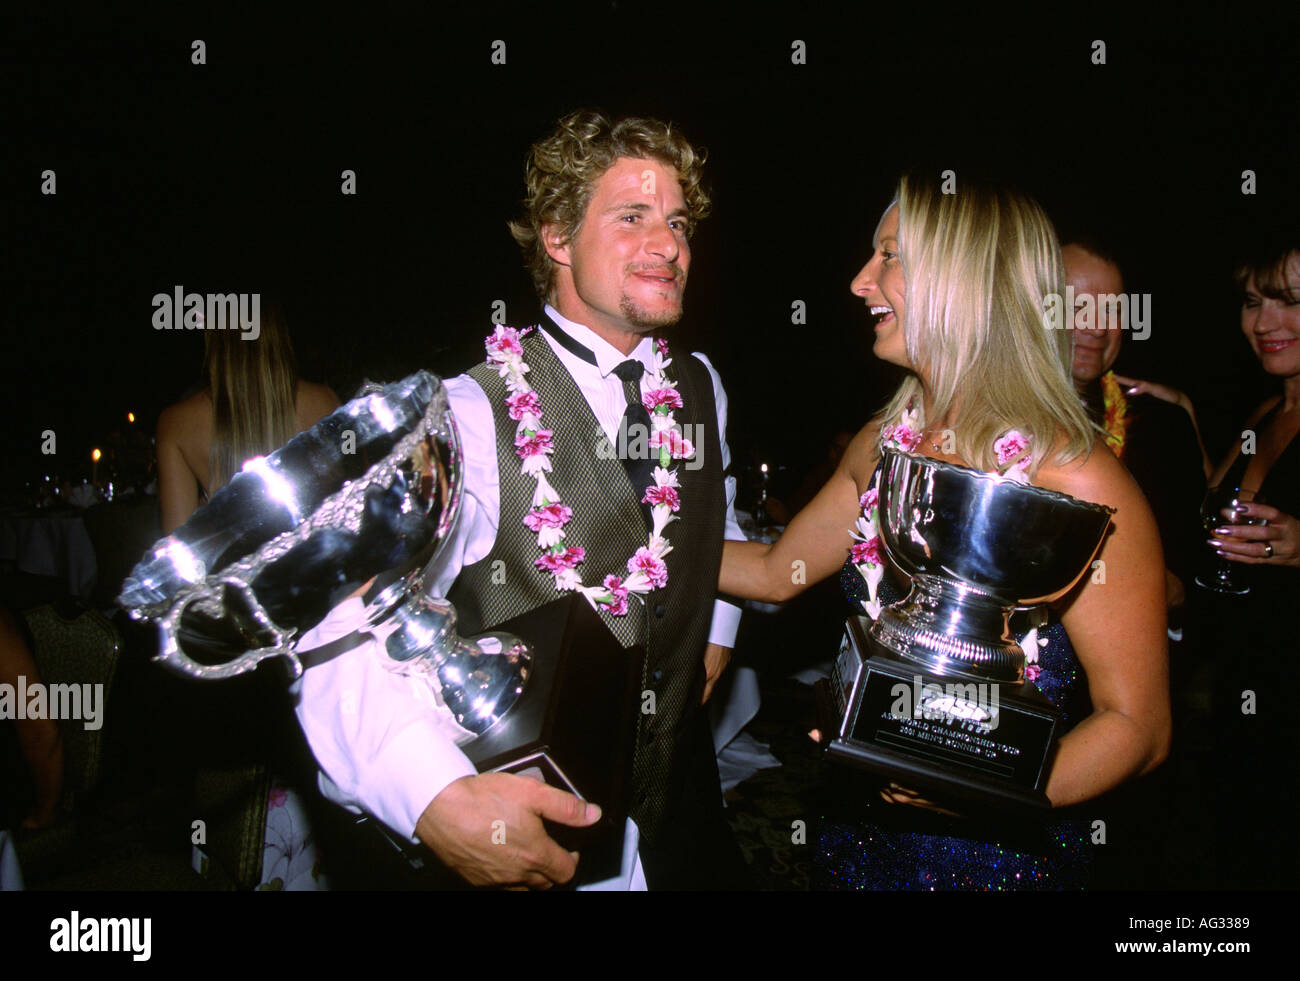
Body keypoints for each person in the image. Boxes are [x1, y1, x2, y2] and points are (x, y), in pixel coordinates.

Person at [292, 109, 748, 890]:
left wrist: (718, 629)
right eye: (632, 216)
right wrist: (429, 793)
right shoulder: (466, 414)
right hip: (540, 825)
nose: (670, 244)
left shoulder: (702, 385)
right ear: (558, 238)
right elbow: (334, 622)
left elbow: (720, 505)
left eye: (677, 221)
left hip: (682, 804)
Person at [719, 175, 1171, 889]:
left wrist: (984, 788)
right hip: (860, 834)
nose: (859, 279)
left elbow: (1137, 726)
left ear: (966, 281)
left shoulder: (1078, 478)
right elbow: (780, 571)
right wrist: (636, 543)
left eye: (889, 256)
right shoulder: (882, 442)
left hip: (998, 857)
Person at [155, 300, 339, 889]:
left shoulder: (178, 422)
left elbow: (182, 579)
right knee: (325, 816)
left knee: (233, 838)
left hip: (237, 658)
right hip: (316, 645)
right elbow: (348, 541)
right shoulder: (323, 404)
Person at [1182, 235, 1300, 888]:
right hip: (1242, 687)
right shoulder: (1266, 410)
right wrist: (1184, 414)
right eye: (1254, 302)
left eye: (1291, 302)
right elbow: (1213, 508)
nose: (1264, 323)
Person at [1062, 240, 1205, 614]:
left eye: (1110, 309)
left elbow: (1191, 571)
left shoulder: (1161, 426)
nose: (1096, 327)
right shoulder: (985, 415)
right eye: (1076, 307)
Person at [156, 299, 340, 535]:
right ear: (275, 328)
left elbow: (179, 548)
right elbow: (351, 492)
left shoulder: (176, 424)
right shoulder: (326, 401)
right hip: (317, 565)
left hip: (238, 569)